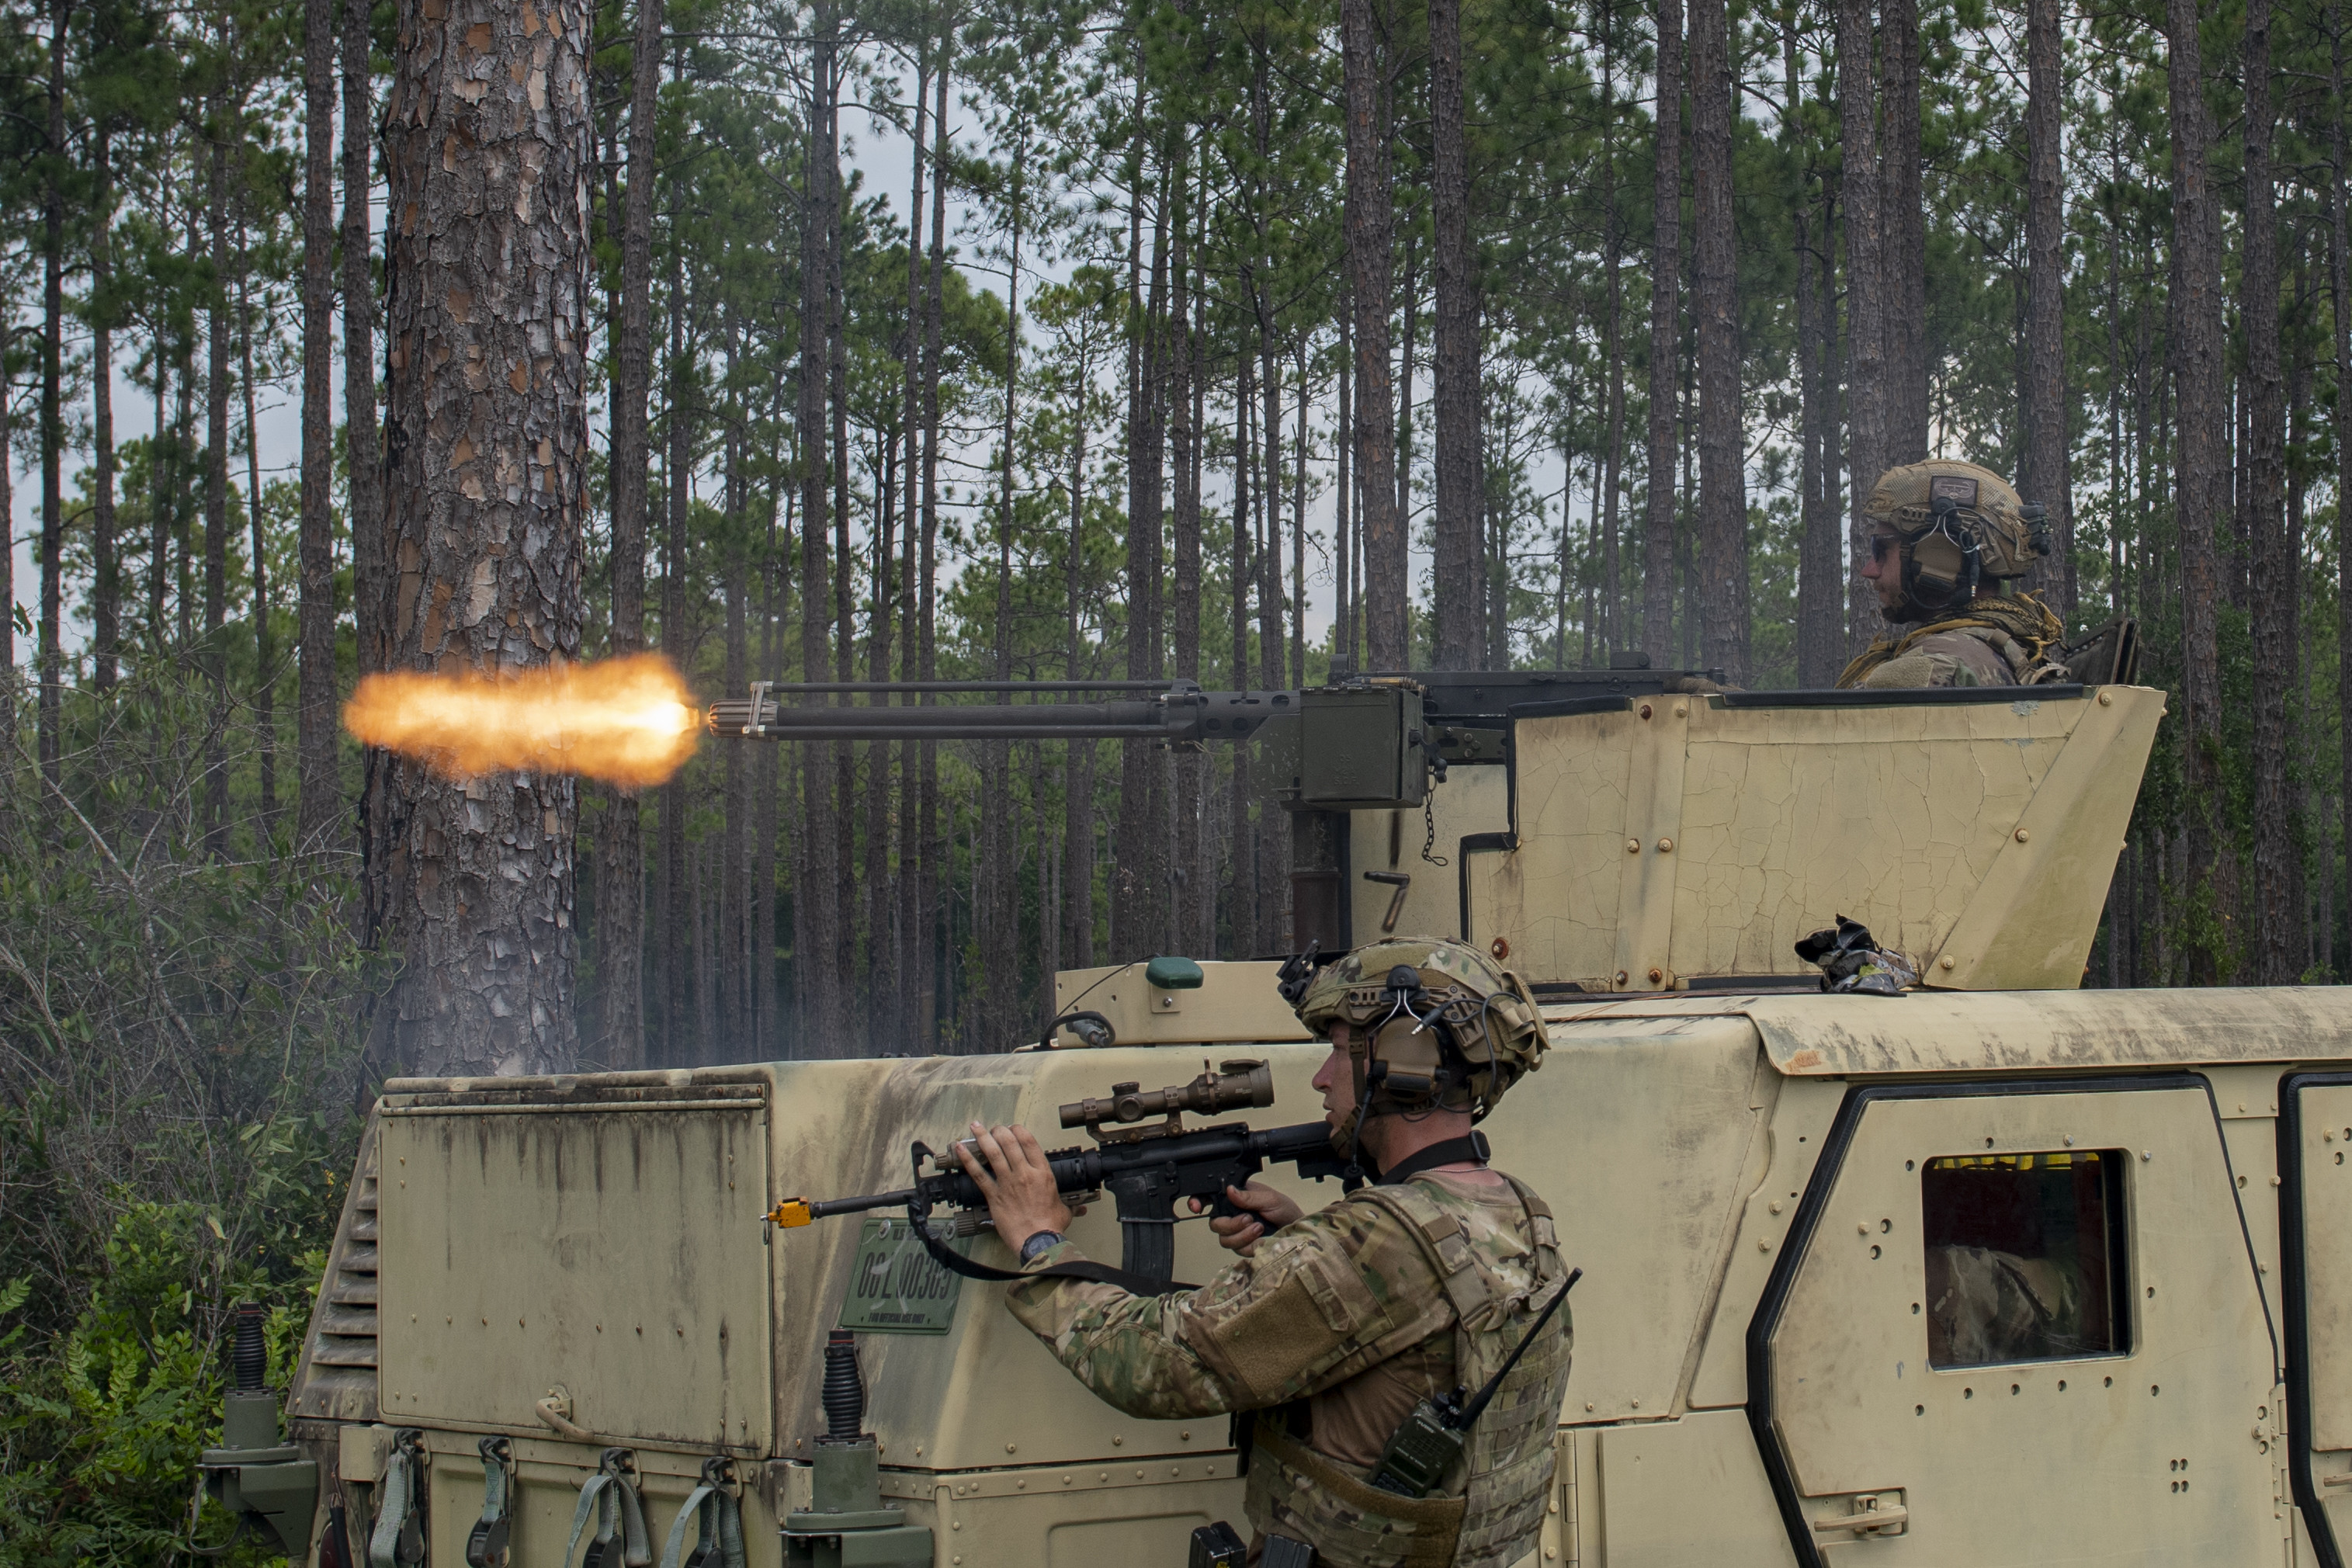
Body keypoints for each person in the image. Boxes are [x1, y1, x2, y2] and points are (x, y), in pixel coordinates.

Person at [952, 938, 1572, 1568]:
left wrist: (1040, 1240)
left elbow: (1155, 1365)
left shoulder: (1370, 1243)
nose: (1322, 1078)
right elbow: (1412, 1339)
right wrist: (1296, 1240)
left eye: (1337, 1052)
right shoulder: (1517, 1210)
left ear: (1399, 1059)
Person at [1838, 460, 2073, 689]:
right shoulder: (2008, 643)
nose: (1869, 570)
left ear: (1941, 555)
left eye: (1880, 550)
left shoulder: (1936, 666)